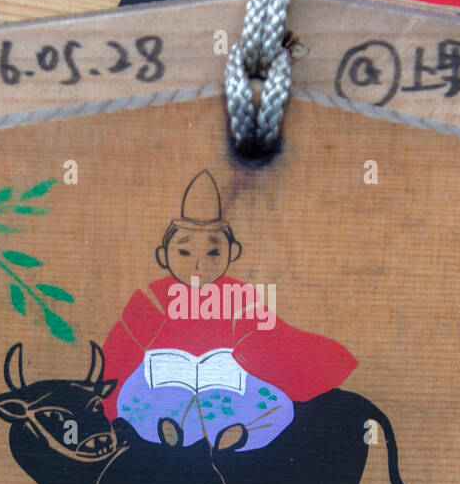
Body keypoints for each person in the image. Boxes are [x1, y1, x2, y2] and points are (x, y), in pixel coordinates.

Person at [101, 170, 356, 451]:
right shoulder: (150, 298)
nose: (198, 265)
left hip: (224, 393)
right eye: (184, 253)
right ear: (163, 256)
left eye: (213, 253)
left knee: (278, 409)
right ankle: (166, 430)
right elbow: (119, 351)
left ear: (233, 252)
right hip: (161, 388)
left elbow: (271, 340)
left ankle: (233, 435)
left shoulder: (240, 296)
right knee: (134, 401)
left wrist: (244, 357)